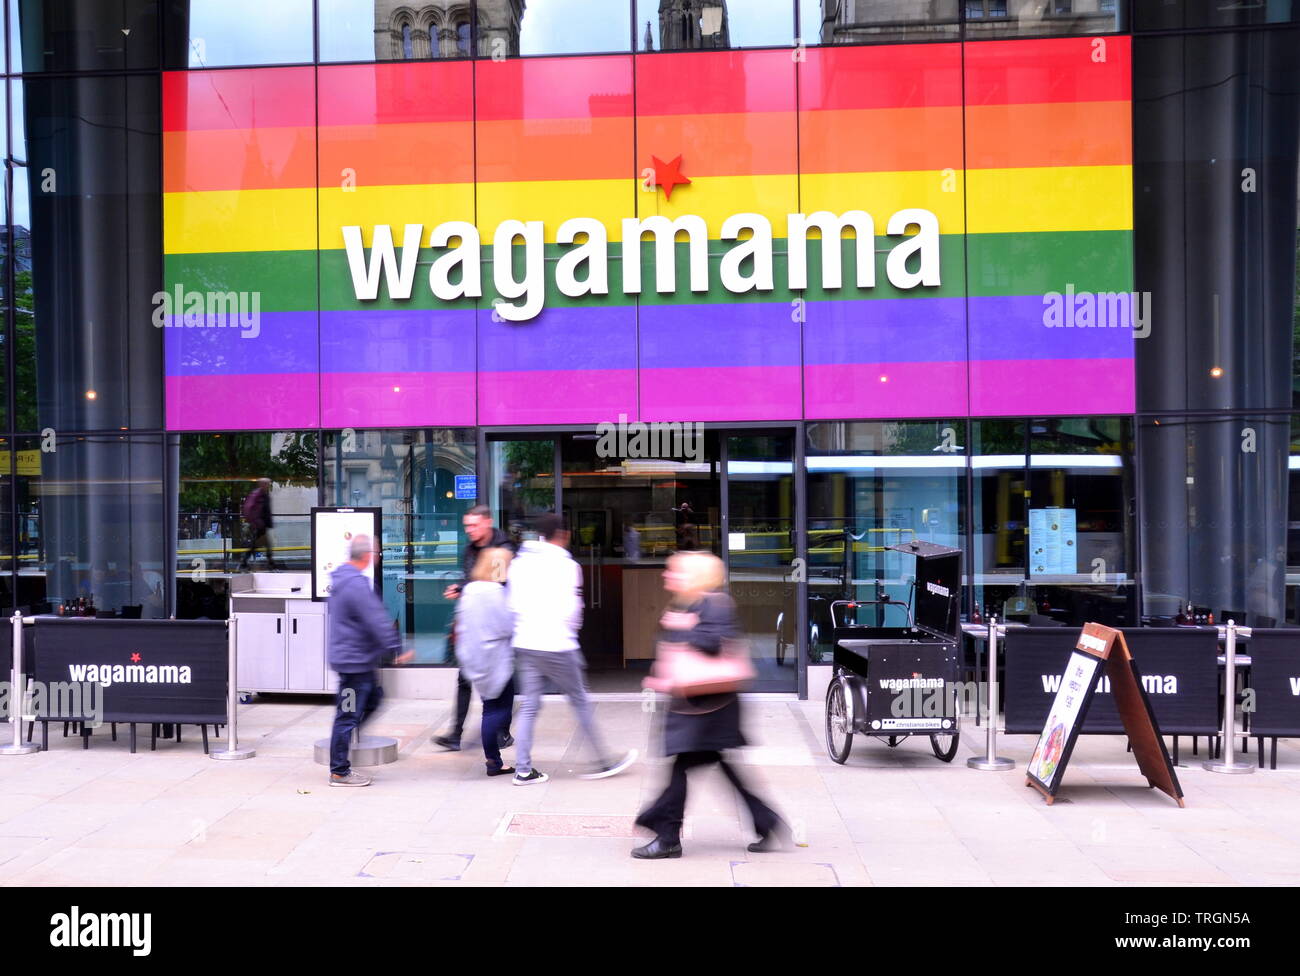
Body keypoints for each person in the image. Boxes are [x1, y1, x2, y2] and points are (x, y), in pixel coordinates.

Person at [632, 551, 789, 858]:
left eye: (675, 571)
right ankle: (765, 821)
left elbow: (713, 642)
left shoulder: (714, 603)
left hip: (708, 706)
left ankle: (667, 838)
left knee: (681, 767)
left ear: (696, 576)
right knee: (715, 763)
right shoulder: (691, 602)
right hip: (700, 704)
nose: (667, 576)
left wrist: (682, 626)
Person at [508, 511, 637, 785]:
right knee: (580, 702)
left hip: (526, 642)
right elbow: (573, 611)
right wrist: (569, 633)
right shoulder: (567, 566)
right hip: (557, 644)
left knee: (530, 707)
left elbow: (512, 605)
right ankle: (604, 760)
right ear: (563, 535)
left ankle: (522, 769)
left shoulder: (519, 563)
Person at [326, 534, 413, 786]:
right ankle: (339, 770)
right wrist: (396, 648)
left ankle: (345, 746)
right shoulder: (355, 584)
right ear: (366, 556)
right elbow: (376, 620)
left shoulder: (344, 579)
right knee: (347, 715)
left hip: (356, 660)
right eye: (375, 553)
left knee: (373, 699)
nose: (376, 557)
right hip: (354, 664)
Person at [435, 504, 517, 750]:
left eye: (473, 525)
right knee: (464, 677)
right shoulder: (470, 549)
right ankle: (456, 734)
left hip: (496, 623)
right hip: (476, 623)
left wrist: (467, 589)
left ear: (487, 522)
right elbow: (471, 580)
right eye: (466, 526)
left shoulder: (503, 549)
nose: (469, 530)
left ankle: (501, 731)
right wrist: (460, 587)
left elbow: (497, 586)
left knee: (501, 679)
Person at [454, 547, 517, 777]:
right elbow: (506, 626)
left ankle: (494, 761)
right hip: (495, 660)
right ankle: (489, 754)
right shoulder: (495, 592)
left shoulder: (470, 590)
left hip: (476, 659)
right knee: (501, 710)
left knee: (490, 708)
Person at [237, 477, 275, 571]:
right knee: (266, 545)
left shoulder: (263, 494)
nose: (268, 486)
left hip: (261, 524)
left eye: (269, 484)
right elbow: (248, 509)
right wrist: (255, 522)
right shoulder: (257, 494)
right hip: (259, 525)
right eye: (267, 484)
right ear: (262, 484)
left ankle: (243, 563)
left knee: (255, 546)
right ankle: (271, 565)